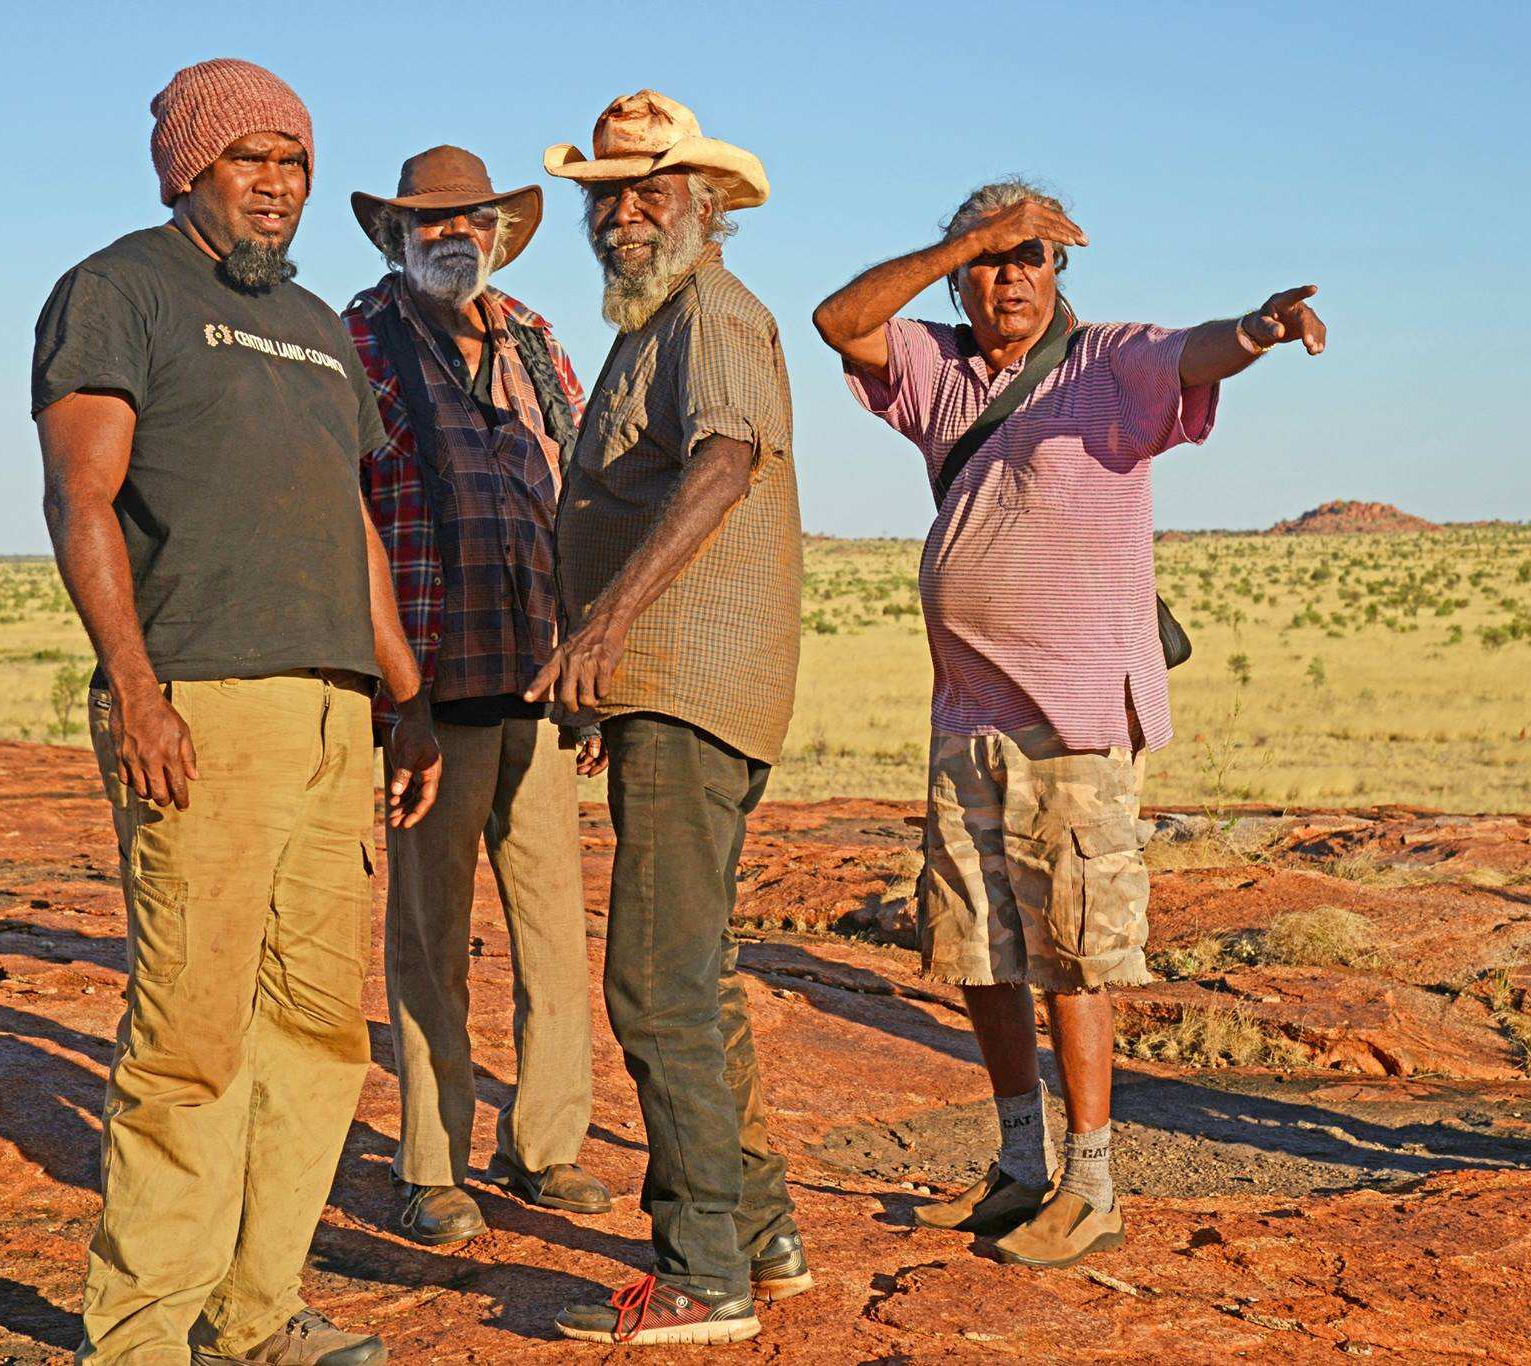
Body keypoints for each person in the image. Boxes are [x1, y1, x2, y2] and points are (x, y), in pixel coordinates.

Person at [812, 179, 1326, 1269]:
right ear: (959, 271)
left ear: (1060, 272)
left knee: (1072, 951)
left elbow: (1198, 350)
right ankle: (1016, 1163)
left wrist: (1260, 329)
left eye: (1034, 256)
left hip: (1076, 718)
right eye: (994, 259)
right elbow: (838, 322)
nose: (1012, 277)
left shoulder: (1110, 359)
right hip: (968, 716)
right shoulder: (933, 370)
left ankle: (1091, 1185)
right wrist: (964, 236)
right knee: (979, 947)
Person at [31, 58, 441, 1366]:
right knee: (191, 1031)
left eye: (296, 161)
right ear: (188, 170)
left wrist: (408, 693)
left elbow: (353, 520)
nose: (278, 182)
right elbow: (81, 495)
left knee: (319, 1029)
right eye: (250, 157)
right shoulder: (121, 290)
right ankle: (142, 1334)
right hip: (202, 705)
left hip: (334, 719)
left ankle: (257, 1310)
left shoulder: (322, 327)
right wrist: (137, 690)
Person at [529, 90, 809, 1346]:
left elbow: (724, 458)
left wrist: (604, 627)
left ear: (706, 206)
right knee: (695, 970)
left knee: (653, 981)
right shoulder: (661, 323)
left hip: (689, 685)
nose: (622, 214)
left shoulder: (714, 315)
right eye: (606, 195)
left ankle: (701, 1269)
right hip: (667, 689)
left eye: (648, 191)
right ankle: (758, 1232)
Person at [339, 145, 611, 1246]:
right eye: (432, 223)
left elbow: (583, 500)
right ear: (396, 239)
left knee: (553, 936)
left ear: (497, 233)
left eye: (475, 221)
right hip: (431, 700)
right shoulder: (358, 343)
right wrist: (395, 697)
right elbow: (340, 519)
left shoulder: (538, 343)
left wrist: (594, 675)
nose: (457, 237)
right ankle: (431, 1166)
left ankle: (544, 1148)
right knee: (428, 940)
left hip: (540, 689)